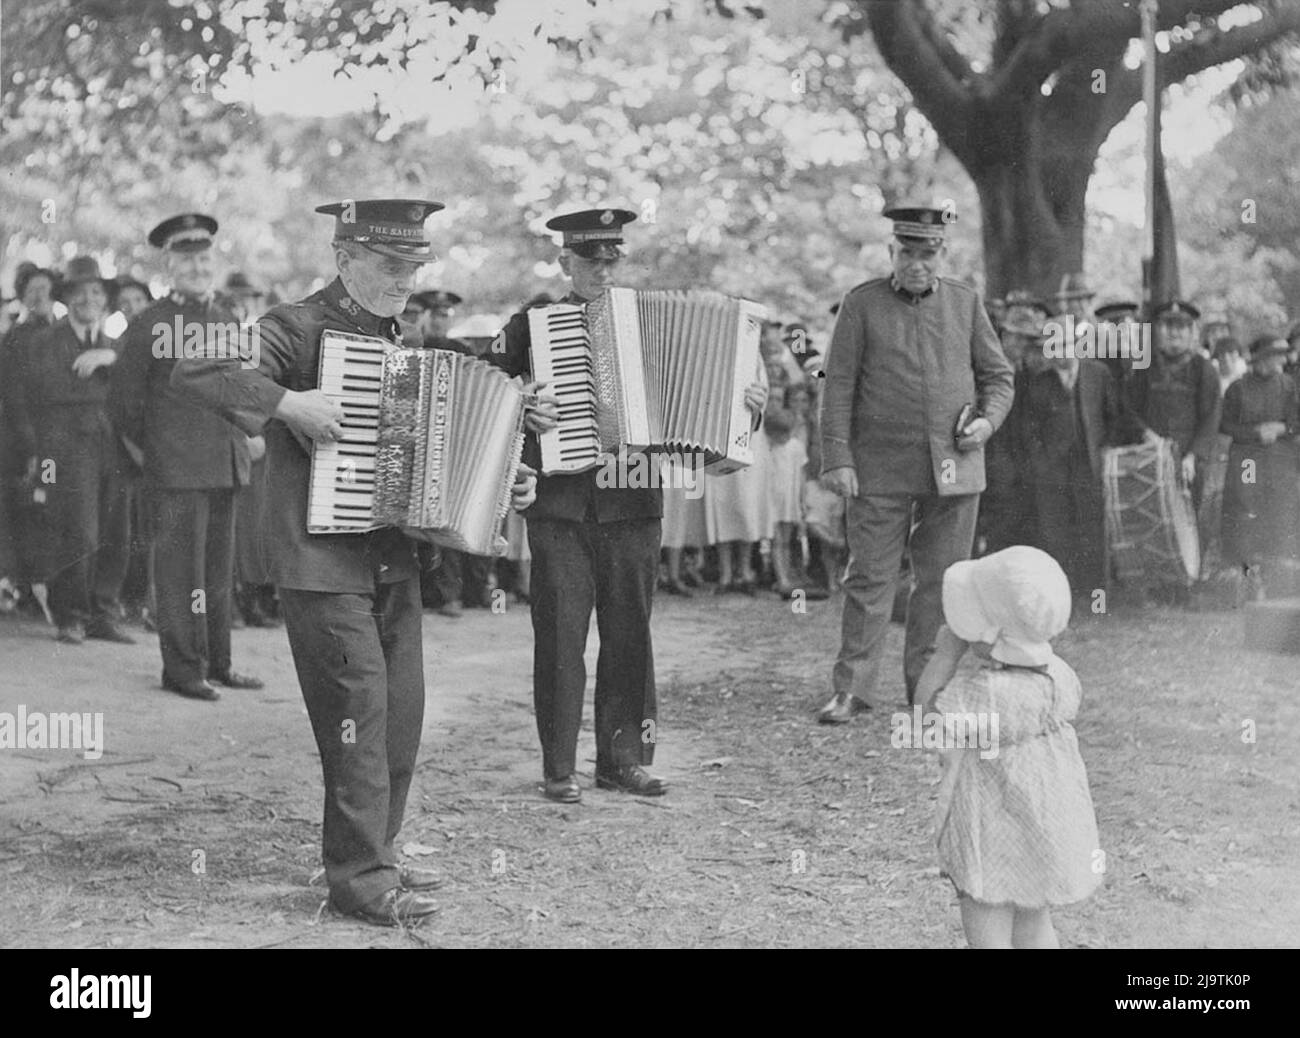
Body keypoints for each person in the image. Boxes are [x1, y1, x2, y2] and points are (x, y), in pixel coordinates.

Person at [172, 197, 539, 927]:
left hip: (392, 561)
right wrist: (288, 403)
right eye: (392, 265)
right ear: (346, 259)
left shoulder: (402, 344)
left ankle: (380, 855)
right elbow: (197, 367)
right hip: (320, 565)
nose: (406, 279)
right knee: (358, 715)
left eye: (413, 266)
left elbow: (440, 460)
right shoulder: (295, 325)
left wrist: (505, 484)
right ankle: (360, 879)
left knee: (399, 718)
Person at [487, 206, 764, 802]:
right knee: (560, 636)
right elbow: (484, 384)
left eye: (612, 261)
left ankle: (624, 761)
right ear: (566, 261)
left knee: (630, 634)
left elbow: (718, 390)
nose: (603, 272)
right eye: (590, 261)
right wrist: (521, 404)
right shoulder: (531, 322)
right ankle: (558, 766)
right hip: (559, 507)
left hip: (634, 502)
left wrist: (751, 402)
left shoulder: (647, 318)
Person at [817, 205, 1015, 722]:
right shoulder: (861, 305)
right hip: (878, 467)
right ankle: (852, 688)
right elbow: (836, 385)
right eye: (907, 252)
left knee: (943, 581)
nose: (917, 264)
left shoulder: (966, 304)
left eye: (928, 253)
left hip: (954, 467)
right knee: (870, 578)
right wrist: (838, 458)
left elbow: (999, 377)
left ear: (942, 254)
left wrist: (987, 424)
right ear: (892, 252)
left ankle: (927, 693)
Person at [912, 546, 1103, 949]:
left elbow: (924, 721)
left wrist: (947, 653)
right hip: (1043, 831)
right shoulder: (1060, 677)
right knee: (1035, 926)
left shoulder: (987, 696)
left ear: (993, 635)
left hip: (993, 838)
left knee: (989, 930)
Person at [108, 212, 261, 701]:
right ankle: (182, 670)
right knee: (180, 574)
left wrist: (246, 434)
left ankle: (219, 663)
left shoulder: (227, 317)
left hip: (224, 460)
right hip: (174, 468)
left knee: (218, 571)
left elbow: (239, 385)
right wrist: (155, 459)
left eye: (204, 257)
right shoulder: (148, 322)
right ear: (169, 264)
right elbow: (124, 406)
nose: (197, 266)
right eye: (186, 258)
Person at [14, 257, 134, 644]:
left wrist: (110, 359)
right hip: (65, 443)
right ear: (66, 298)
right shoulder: (46, 341)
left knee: (116, 527)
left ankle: (103, 612)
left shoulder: (114, 346)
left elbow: (138, 377)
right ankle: (71, 614)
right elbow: (41, 395)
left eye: (96, 292)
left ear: (106, 299)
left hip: (111, 444)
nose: (88, 299)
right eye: (79, 292)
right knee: (79, 530)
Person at [1021, 321, 1142, 596]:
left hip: (1090, 465)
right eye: (1054, 348)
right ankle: (1063, 596)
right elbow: (1029, 430)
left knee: (1092, 530)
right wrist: (1040, 463)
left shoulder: (1097, 373)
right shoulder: (1040, 382)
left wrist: (1107, 449)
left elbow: (1114, 416)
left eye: (1065, 345)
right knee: (1056, 531)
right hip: (1053, 471)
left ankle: (1095, 595)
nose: (1061, 353)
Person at [1219, 334, 1300, 600]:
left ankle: (1280, 582)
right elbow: (1225, 425)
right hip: (1248, 460)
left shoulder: (1288, 386)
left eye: (1280, 356)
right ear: (1259, 359)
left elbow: (1295, 422)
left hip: (1280, 462)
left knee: (1280, 513)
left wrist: (1282, 428)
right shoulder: (1237, 389)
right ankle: (1246, 582)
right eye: (1273, 356)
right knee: (1246, 509)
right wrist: (1255, 432)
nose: (1278, 361)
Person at [1123, 300, 1222, 511]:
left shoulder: (1203, 370)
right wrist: (1145, 434)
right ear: (1157, 330)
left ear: (1191, 331)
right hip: (1150, 458)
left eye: (1181, 327)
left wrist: (1193, 457)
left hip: (1190, 463)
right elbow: (1129, 409)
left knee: (1190, 527)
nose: (1174, 333)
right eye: (1167, 326)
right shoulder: (1143, 367)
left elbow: (1211, 419)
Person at [1, 264, 59, 605]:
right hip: (26, 440)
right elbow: (15, 396)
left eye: (44, 288)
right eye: (32, 289)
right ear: (23, 296)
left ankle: (50, 585)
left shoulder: (64, 332)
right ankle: (24, 585)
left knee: (55, 508)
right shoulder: (15, 339)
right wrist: (30, 445)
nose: (39, 295)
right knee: (29, 506)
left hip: (62, 437)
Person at [976, 290, 1044, 556]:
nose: (1025, 346)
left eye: (1030, 340)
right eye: (1021, 339)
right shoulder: (988, 370)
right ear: (1005, 335)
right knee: (995, 527)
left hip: (1018, 464)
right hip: (992, 461)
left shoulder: (1025, 372)